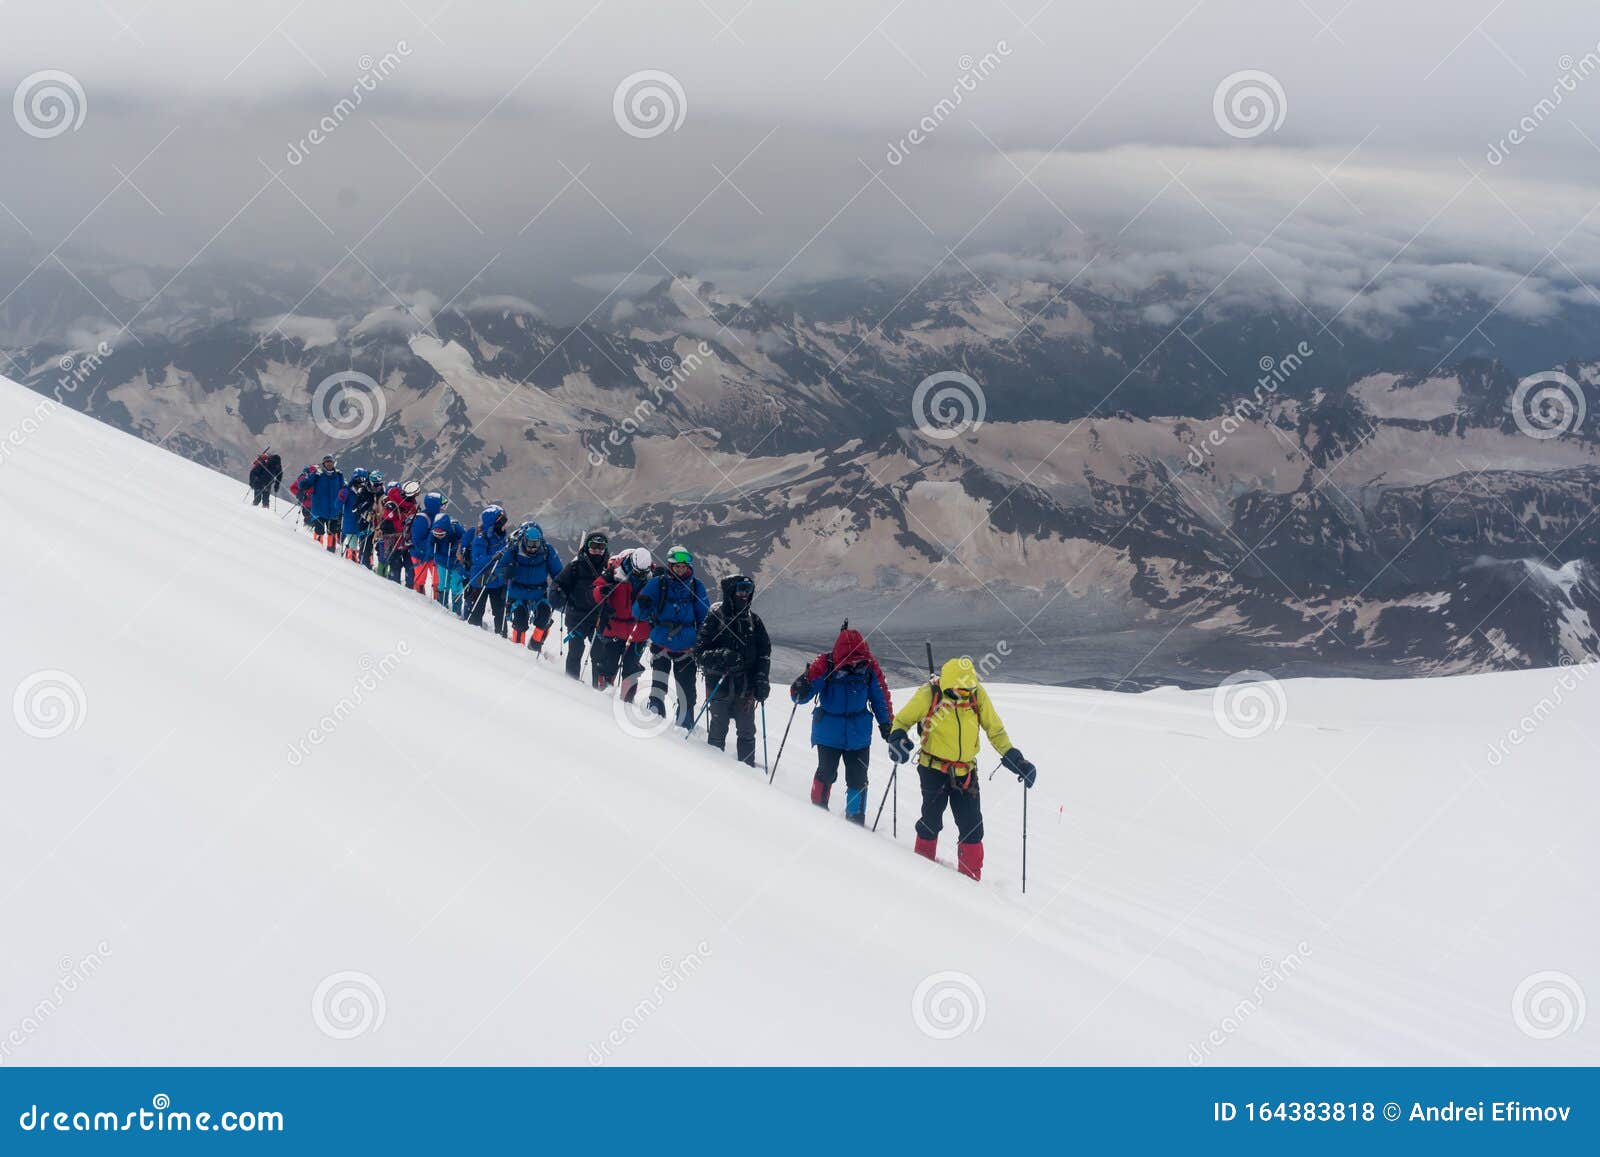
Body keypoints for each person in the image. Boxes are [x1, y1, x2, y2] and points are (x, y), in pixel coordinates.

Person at [885, 657, 1037, 882]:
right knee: (931, 821)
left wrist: (1015, 759)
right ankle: (920, 873)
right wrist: (897, 738)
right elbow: (902, 721)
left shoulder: (977, 694)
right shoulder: (930, 693)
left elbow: (994, 730)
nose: (964, 696)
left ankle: (971, 883)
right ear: (947, 686)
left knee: (972, 826)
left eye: (968, 691)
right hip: (932, 769)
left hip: (966, 772)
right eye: (958, 692)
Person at [791, 625, 893, 824]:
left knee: (858, 779)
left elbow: (880, 697)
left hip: (858, 734)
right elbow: (800, 696)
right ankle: (816, 812)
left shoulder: (870, 667)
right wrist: (800, 687)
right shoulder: (825, 665)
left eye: (859, 663)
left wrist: (887, 725)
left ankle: (855, 821)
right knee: (826, 772)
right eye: (850, 663)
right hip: (829, 731)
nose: (855, 667)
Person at [693, 574, 771, 766]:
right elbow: (699, 653)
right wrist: (723, 656)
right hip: (719, 683)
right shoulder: (715, 617)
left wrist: (761, 678)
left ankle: (748, 773)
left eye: (748, 590)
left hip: (746, 687)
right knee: (719, 728)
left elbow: (764, 654)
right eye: (740, 589)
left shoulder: (754, 621)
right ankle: (712, 768)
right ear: (730, 592)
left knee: (746, 730)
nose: (745, 594)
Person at [634, 546, 709, 727]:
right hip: (662, 644)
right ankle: (655, 715)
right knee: (659, 685)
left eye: (683, 566)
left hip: (686, 648)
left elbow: (704, 617)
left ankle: (685, 723)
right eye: (677, 567)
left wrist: (701, 642)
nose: (681, 570)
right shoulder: (657, 584)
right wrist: (642, 605)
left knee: (687, 689)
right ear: (670, 566)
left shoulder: (696, 586)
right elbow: (639, 614)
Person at [591, 548, 653, 695]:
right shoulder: (614, 572)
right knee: (608, 663)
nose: (640, 575)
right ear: (631, 562)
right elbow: (596, 589)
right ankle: (601, 694)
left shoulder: (653, 579)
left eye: (643, 572)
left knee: (631, 669)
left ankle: (627, 701)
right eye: (637, 571)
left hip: (638, 631)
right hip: (615, 627)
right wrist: (602, 592)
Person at [552, 529, 610, 681]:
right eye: (593, 546)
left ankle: (598, 691)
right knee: (575, 651)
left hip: (597, 618)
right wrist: (558, 593)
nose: (597, 551)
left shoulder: (609, 570)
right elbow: (559, 583)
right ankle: (571, 683)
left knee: (598, 654)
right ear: (587, 547)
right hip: (576, 616)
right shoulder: (575, 566)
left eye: (601, 547)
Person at [497, 521, 564, 651]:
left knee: (545, 616)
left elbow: (557, 572)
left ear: (540, 542)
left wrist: (560, 587)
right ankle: (518, 648)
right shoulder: (514, 549)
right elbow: (500, 567)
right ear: (524, 540)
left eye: (536, 544)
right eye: (530, 544)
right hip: (517, 593)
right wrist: (505, 572)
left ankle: (535, 644)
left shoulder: (546, 551)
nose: (533, 548)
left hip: (538, 593)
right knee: (520, 619)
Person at [465, 505, 510, 633]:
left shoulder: (501, 537)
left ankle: (502, 635)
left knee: (500, 611)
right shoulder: (481, 538)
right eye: (502, 522)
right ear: (495, 523)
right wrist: (494, 557)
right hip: (481, 580)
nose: (505, 525)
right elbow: (477, 558)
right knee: (477, 610)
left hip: (496, 580)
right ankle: (472, 633)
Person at [408, 491, 447, 597]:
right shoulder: (422, 519)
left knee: (437, 579)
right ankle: (419, 599)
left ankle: (437, 600)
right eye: (441, 506)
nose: (443, 508)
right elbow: (417, 541)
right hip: (420, 555)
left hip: (433, 555)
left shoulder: (438, 518)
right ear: (435, 506)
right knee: (420, 579)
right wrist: (431, 542)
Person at [308, 454, 345, 552]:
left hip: (334, 509)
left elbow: (342, 490)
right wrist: (302, 486)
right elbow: (307, 483)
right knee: (319, 530)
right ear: (324, 464)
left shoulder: (339, 475)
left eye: (331, 462)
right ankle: (316, 549)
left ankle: (331, 551)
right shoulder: (318, 474)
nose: (329, 464)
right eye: (327, 462)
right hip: (319, 509)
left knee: (332, 532)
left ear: (333, 463)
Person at [339, 468, 375, 564]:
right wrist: (341, 496)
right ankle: (351, 563)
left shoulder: (366, 492)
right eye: (359, 480)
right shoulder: (348, 491)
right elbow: (338, 504)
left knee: (366, 547)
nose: (361, 483)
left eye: (363, 480)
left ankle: (366, 563)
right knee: (353, 546)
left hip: (363, 523)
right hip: (350, 523)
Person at [433, 513, 465, 612]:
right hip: (443, 561)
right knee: (443, 584)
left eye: (441, 534)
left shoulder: (456, 529)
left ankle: (456, 611)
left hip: (456, 562)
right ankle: (442, 606)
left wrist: (460, 549)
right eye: (437, 535)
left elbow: (465, 540)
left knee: (456, 586)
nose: (439, 536)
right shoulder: (435, 529)